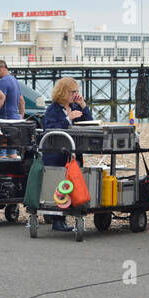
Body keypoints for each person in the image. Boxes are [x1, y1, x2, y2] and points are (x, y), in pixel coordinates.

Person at [41, 77, 93, 232]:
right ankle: (58, 220)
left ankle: (72, 213)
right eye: (73, 92)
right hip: (57, 155)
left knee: (74, 183)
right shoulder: (53, 110)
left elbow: (89, 122)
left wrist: (83, 105)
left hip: (74, 153)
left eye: (77, 92)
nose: (75, 95)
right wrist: (67, 119)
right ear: (64, 92)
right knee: (60, 185)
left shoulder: (76, 106)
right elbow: (50, 129)